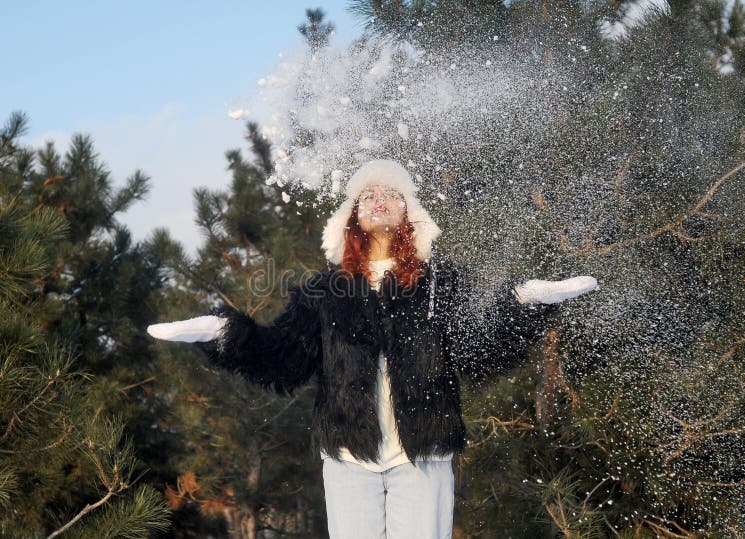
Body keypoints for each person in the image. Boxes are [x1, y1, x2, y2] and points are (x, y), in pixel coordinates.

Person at [147, 159, 598, 539]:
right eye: (366, 195)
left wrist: (523, 305)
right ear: (351, 217)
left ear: (409, 212)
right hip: (348, 456)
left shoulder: (440, 283)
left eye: (390, 193)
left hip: (423, 453)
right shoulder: (324, 290)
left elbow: (478, 351)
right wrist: (222, 334)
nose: (377, 198)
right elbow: (282, 360)